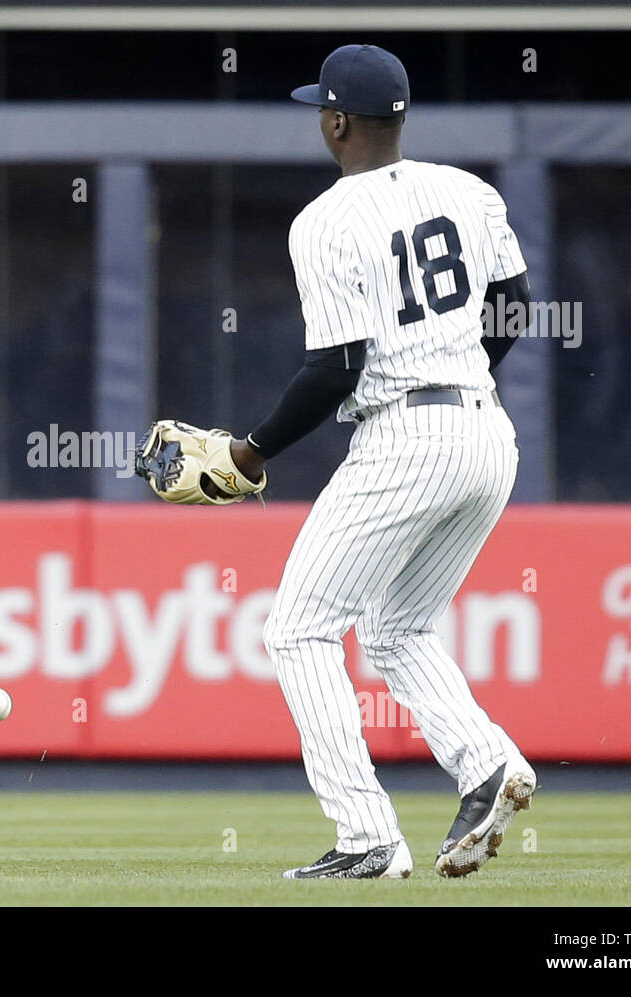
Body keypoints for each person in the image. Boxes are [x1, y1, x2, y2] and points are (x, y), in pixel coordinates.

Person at [224, 45, 538, 878]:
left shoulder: (323, 220)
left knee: (297, 628)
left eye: (317, 112)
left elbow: (335, 367)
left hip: (406, 437)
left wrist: (249, 451)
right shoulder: (471, 189)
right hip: (485, 433)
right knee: (397, 627)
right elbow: (512, 308)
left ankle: (367, 837)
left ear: (334, 121)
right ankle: (486, 762)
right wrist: (456, 376)